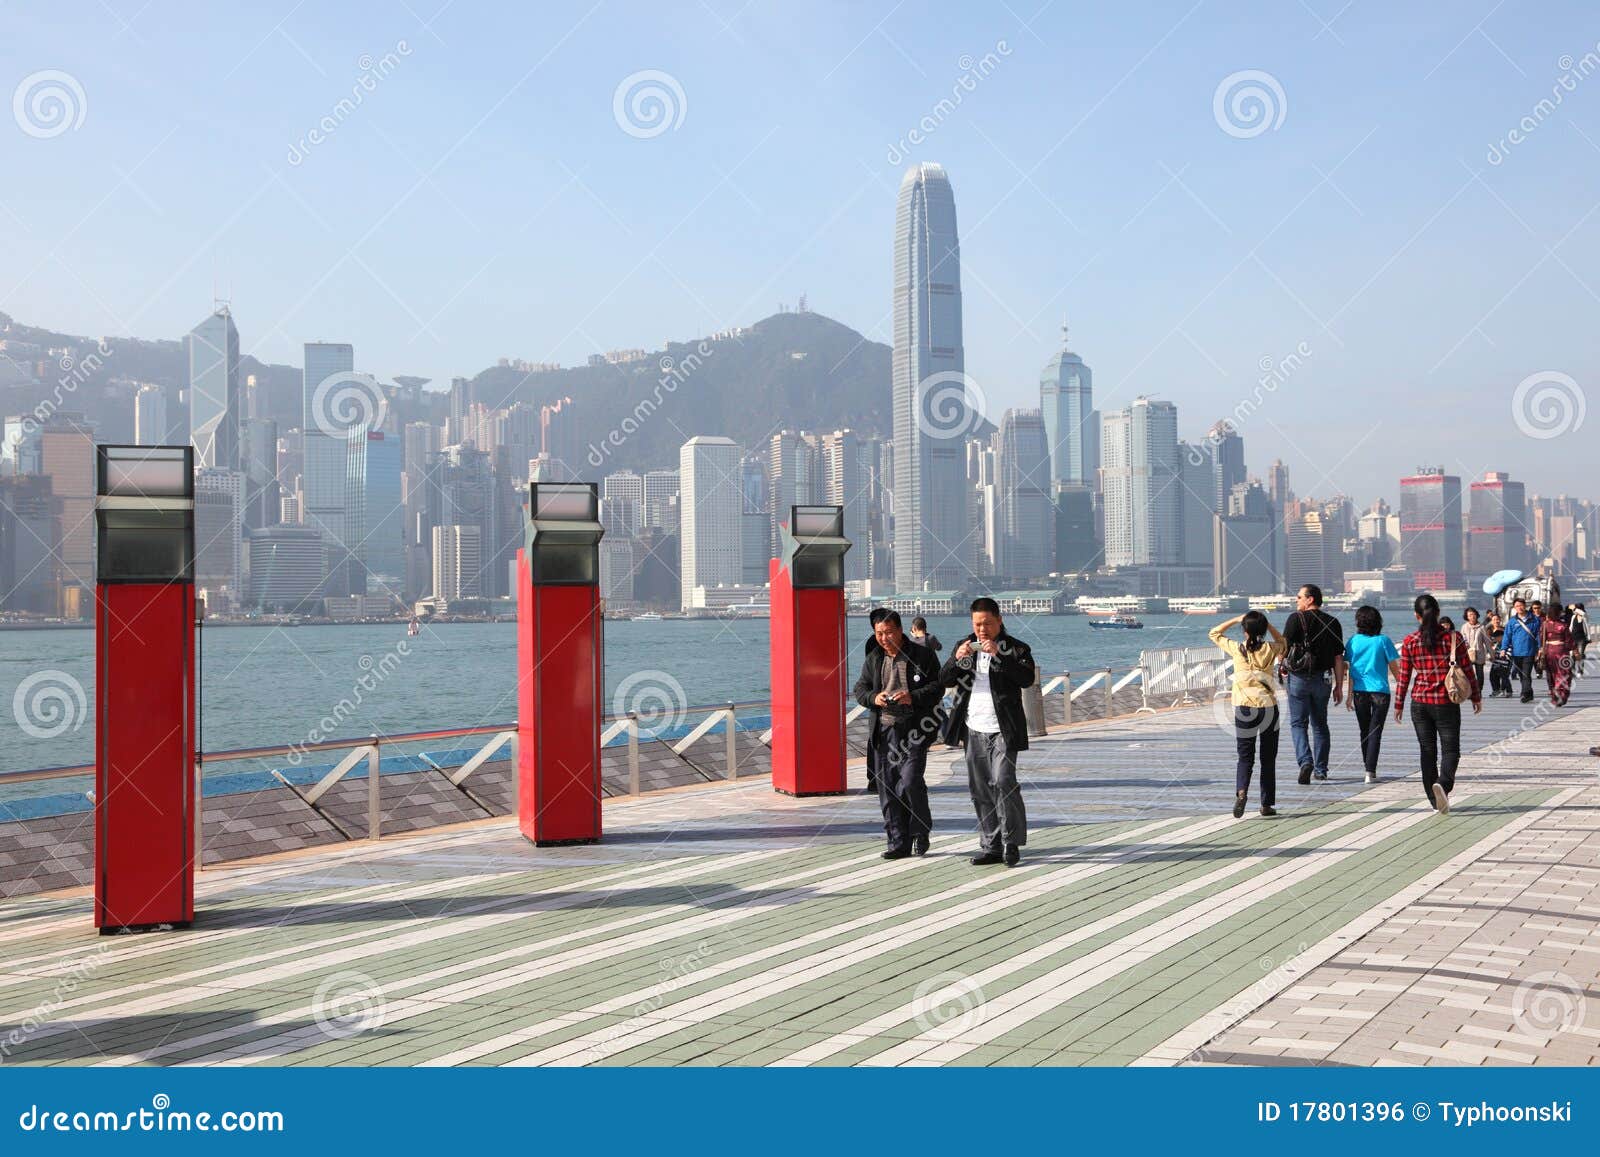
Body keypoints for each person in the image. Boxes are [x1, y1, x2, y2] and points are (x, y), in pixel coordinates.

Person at [940, 597, 1037, 867]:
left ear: (999, 620)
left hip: (1003, 729)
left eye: (987, 624)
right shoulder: (965, 646)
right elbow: (944, 679)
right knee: (980, 788)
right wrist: (956, 659)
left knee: (1004, 781)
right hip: (972, 728)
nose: (982, 629)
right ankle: (991, 845)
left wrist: (999, 655)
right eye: (977, 624)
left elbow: (1026, 679)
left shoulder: (1016, 648)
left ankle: (1012, 842)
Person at [853, 609, 944, 859]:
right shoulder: (874, 658)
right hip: (884, 729)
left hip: (915, 729)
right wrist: (875, 697)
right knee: (888, 787)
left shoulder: (922, 655)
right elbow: (860, 689)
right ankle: (898, 842)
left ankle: (920, 830)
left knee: (911, 780)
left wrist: (911, 697)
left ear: (901, 629)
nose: (884, 638)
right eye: (879, 633)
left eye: (889, 631)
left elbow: (937, 687)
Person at [1394, 593, 1482, 815]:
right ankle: (1443, 785)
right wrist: (1476, 697)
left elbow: (1404, 677)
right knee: (1451, 750)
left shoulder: (1409, 641)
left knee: (1427, 751)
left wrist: (1398, 705)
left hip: (1419, 704)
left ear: (1417, 616)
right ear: (1438, 613)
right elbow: (1467, 670)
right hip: (1446, 702)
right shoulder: (1454, 639)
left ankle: (1435, 801)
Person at [1209, 612, 1286, 818]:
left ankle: (1242, 792)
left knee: (1245, 756)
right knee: (1268, 758)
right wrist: (1267, 625)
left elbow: (1214, 633)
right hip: (1268, 707)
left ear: (1244, 631)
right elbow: (1283, 641)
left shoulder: (1237, 648)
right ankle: (1266, 804)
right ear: (1262, 630)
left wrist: (1235, 619)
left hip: (1244, 708)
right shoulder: (1270, 648)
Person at [1280, 584, 1347, 784]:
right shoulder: (1333, 622)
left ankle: (1305, 761)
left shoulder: (1295, 619)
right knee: (1320, 724)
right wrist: (1339, 686)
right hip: (1323, 679)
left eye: (1299, 597)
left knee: (1298, 723)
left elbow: (1283, 648)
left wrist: (1280, 665)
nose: (1296, 600)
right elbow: (1338, 657)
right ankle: (1321, 770)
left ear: (1310, 599)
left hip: (1299, 679)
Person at [1343, 605, 1399, 784]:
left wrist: (1349, 695)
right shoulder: (1384, 641)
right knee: (1375, 731)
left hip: (1360, 692)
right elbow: (1394, 668)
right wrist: (1403, 687)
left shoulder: (1353, 641)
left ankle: (1367, 769)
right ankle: (1370, 771)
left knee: (1364, 730)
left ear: (1359, 621)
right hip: (1380, 692)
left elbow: (1350, 670)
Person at [1500, 597, 1541, 703]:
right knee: (1521, 674)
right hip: (1516, 652)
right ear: (1514, 608)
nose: (1519, 608)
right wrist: (1503, 649)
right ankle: (1529, 693)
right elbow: (1507, 636)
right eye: (1517, 606)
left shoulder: (1535, 619)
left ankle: (1524, 694)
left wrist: (1540, 648)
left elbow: (1538, 635)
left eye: (1521, 605)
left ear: (1525, 606)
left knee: (1526, 673)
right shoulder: (1512, 621)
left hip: (1530, 651)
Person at [1540, 605, 1576, 707]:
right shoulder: (1563, 625)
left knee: (1551, 675)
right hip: (1562, 652)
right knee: (1564, 674)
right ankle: (1562, 695)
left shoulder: (1545, 625)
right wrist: (1574, 650)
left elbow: (1541, 638)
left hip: (1549, 652)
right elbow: (1569, 641)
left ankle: (1554, 696)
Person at [1460, 607, 1491, 695]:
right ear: (1467, 617)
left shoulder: (1482, 627)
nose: (1472, 616)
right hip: (1467, 654)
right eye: (1470, 615)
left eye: (1473, 614)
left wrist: (1491, 654)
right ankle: (1470, 691)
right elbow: (1461, 640)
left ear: (1477, 615)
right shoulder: (1464, 627)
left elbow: (1487, 641)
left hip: (1480, 653)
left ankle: (1479, 691)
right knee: (1468, 674)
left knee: (1480, 674)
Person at [1486, 610, 1510, 697]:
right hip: (1494, 655)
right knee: (1493, 674)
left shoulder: (1505, 629)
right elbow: (1487, 643)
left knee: (1504, 674)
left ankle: (1505, 690)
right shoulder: (1489, 631)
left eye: (1497, 619)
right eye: (1494, 619)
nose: (1496, 621)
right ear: (1491, 621)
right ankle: (1496, 690)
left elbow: (1509, 641)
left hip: (1505, 656)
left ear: (1500, 620)